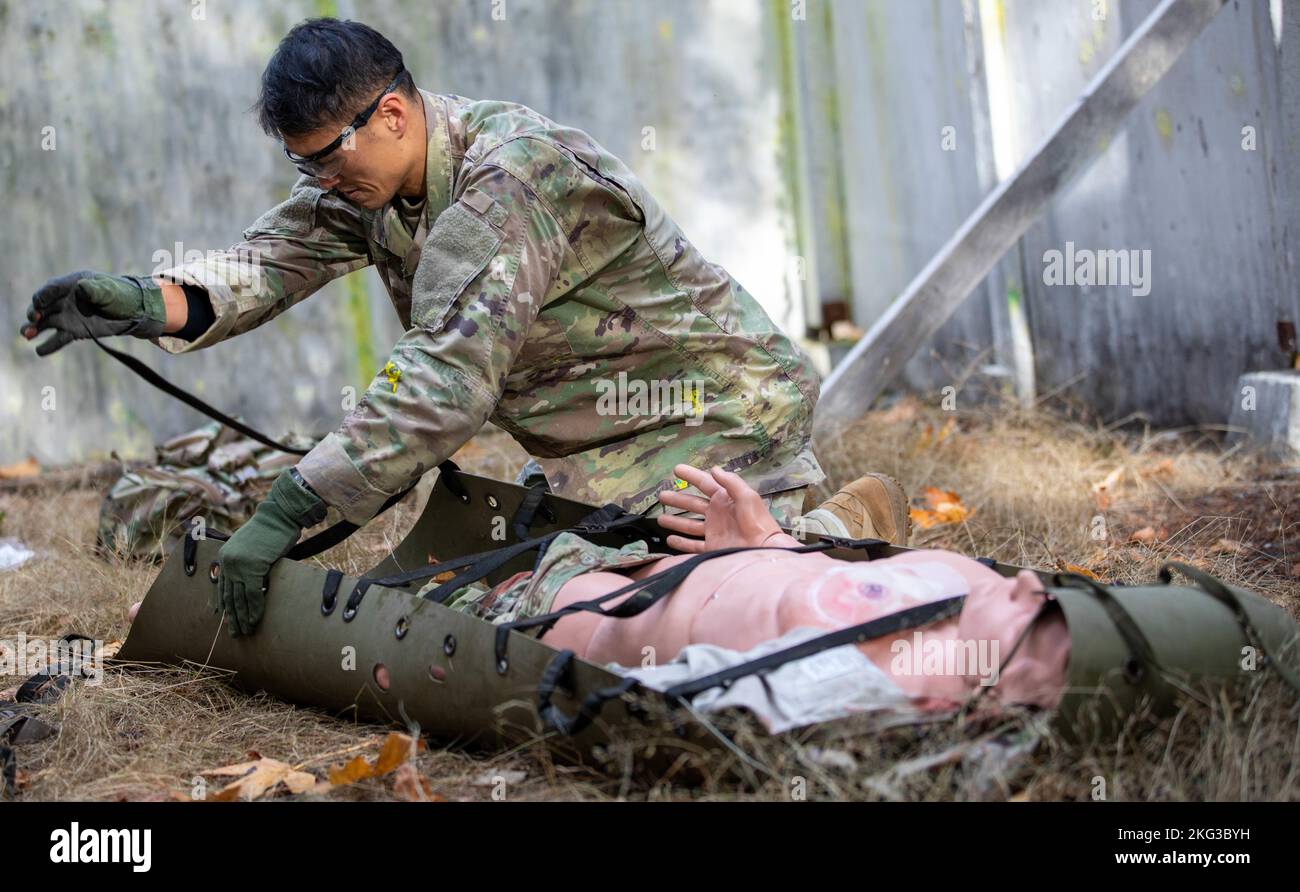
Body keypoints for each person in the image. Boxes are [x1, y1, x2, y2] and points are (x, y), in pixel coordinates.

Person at [23, 18, 907, 638]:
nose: (318, 178)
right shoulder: (365, 177)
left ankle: (826, 523)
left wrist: (284, 512)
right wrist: (142, 301)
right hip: (602, 432)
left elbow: (442, 388)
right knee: (524, 568)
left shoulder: (506, 186)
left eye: (327, 155)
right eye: (302, 162)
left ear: (393, 115)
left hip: (710, 415)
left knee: (642, 593)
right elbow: (265, 261)